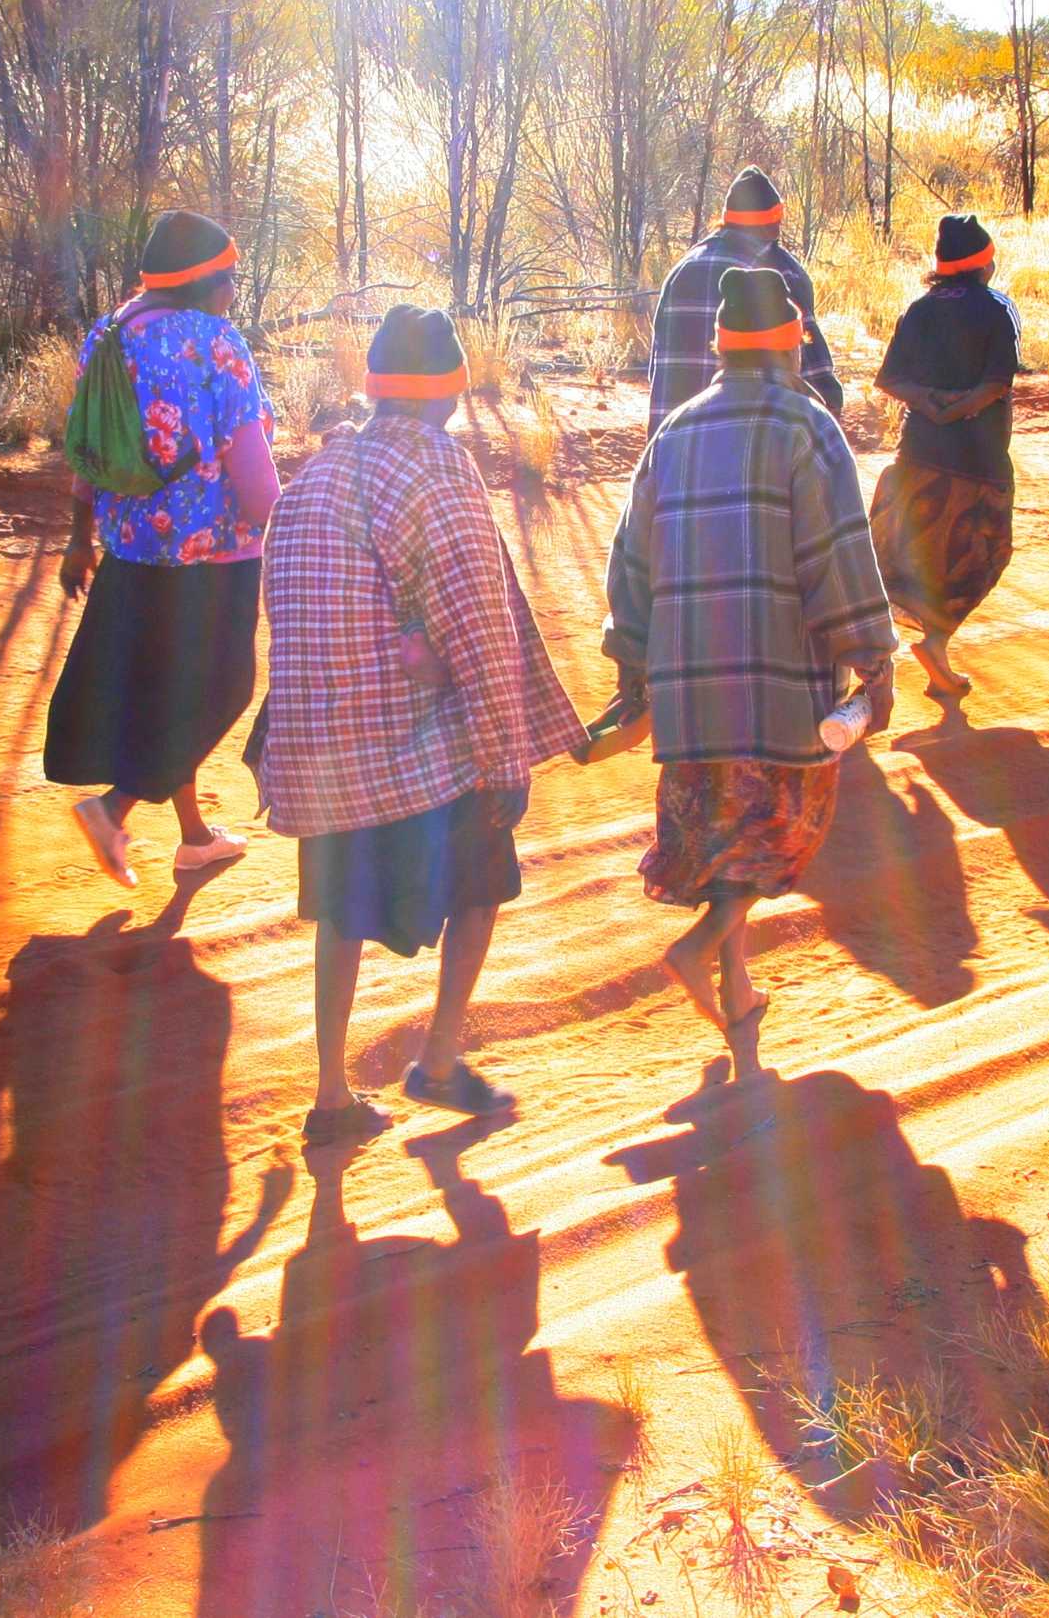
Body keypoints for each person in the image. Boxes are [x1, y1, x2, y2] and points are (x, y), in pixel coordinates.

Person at [256, 307, 586, 1146]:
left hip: (325, 750)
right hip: (410, 748)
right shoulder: (438, 467)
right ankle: (439, 1061)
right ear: (447, 392)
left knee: (340, 913)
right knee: (482, 884)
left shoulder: (317, 475)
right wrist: (506, 756)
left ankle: (331, 1096)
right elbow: (478, 620)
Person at [605, 266, 899, 1086]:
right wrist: (872, 662)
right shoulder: (808, 427)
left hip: (692, 693)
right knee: (776, 831)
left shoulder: (676, 433)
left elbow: (631, 560)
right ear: (791, 344)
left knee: (721, 836)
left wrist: (634, 664)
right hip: (779, 687)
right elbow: (836, 555)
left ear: (719, 349)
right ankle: (702, 951)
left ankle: (737, 997)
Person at [49, 210, 280, 883]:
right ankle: (114, 808)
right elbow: (253, 470)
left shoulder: (111, 332)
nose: (234, 290)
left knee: (166, 692)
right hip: (212, 555)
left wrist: (77, 536)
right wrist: (297, 531)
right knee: (224, 688)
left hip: (132, 553)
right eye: (229, 277)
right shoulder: (217, 342)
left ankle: (194, 835)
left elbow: (89, 446)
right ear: (205, 282)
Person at [869, 213, 1023, 695]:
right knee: (981, 554)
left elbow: (889, 379)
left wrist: (930, 404)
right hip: (979, 462)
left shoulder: (919, 308)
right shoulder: (999, 309)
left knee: (900, 555)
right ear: (984, 265)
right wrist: (960, 408)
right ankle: (936, 642)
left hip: (918, 456)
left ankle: (863, 657)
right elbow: (998, 383)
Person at [646, 165, 846, 431]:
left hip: (675, 444)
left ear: (727, 219)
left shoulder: (681, 270)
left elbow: (657, 370)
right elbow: (814, 372)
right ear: (774, 225)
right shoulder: (780, 271)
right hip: (751, 448)